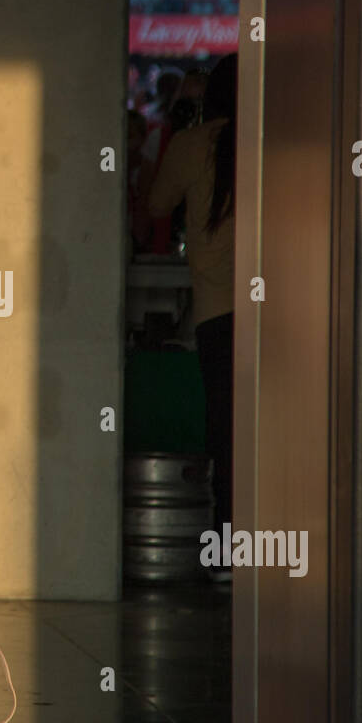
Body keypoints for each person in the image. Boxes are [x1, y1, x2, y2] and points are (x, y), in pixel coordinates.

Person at [148, 52, 236, 583]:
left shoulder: (191, 145)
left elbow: (157, 205)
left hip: (216, 312)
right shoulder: (281, 140)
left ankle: (226, 554)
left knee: (224, 432)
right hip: (286, 318)